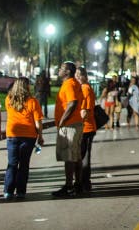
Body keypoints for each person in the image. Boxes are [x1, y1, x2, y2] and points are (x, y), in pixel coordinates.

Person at [4, 77, 44, 199]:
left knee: (12, 163)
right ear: (27, 87)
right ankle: (21, 191)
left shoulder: (8, 100)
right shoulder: (33, 101)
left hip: (12, 134)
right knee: (24, 164)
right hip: (28, 136)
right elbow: (38, 122)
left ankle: (8, 191)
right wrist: (40, 136)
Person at [53, 61, 85, 197]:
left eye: (61, 68)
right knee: (76, 156)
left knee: (69, 157)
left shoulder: (69, 84)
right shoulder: (75, 83)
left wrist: (62, 120)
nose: (59, 70)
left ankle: (69, 185)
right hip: (75, 123)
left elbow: (72, 103)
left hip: (70, 125)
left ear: (67, 72)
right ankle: (78, 184)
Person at [77, 66, 97, 192]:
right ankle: (84, 182)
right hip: (86, 127)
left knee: (83, 157)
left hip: (85, 128)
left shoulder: (84, 88)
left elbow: (84, 111)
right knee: (83, 156)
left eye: (78, 75)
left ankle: (84, 183)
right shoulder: (85, 87)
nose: (76, 77)